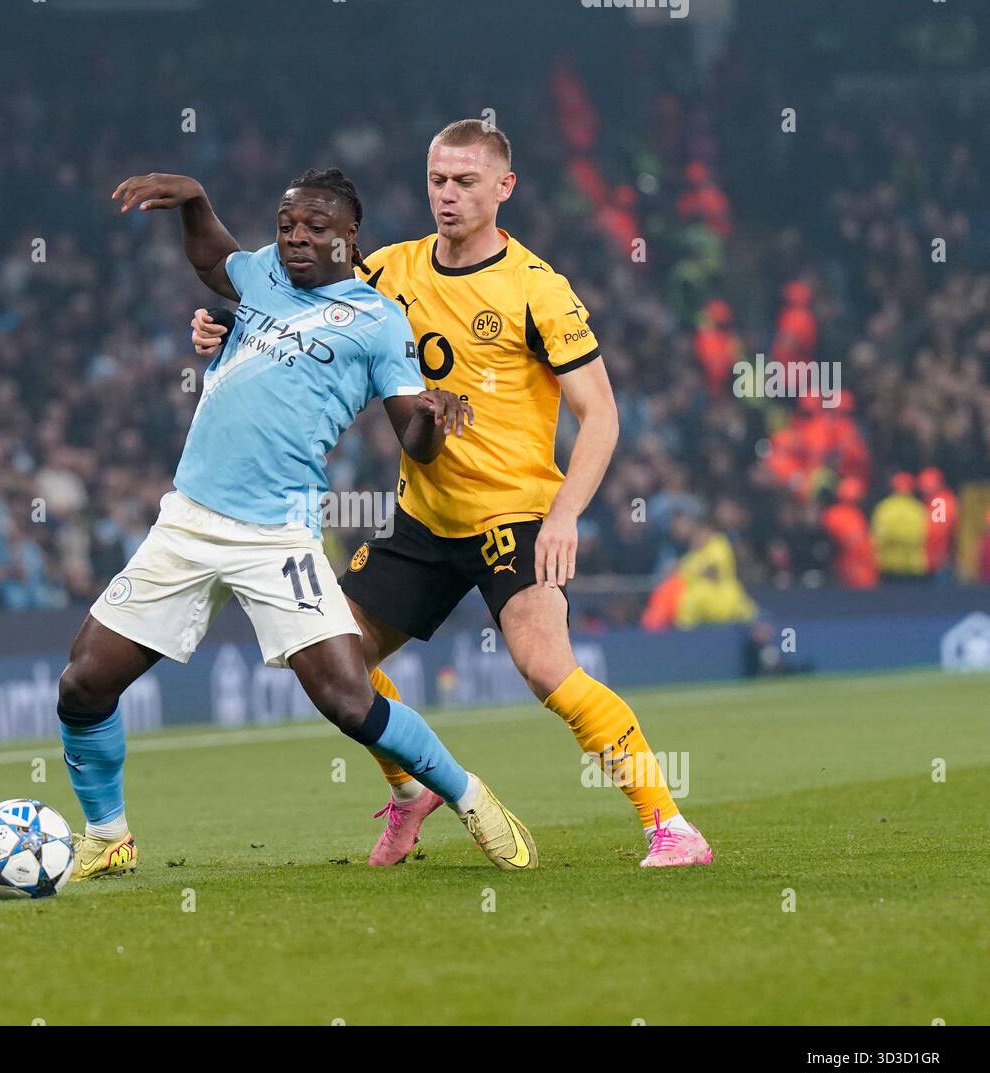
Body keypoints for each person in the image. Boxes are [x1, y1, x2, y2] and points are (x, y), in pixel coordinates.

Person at [193, 121, 712, 869]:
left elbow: (601, 415)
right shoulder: (392, 269)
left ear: (504, 188)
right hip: (424, 519)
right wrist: (226, 327)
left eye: (466, 182)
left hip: (512, 516)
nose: (448, 195)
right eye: (438, 180)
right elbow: (299, 317)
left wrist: (565, 515)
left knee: (545, 669)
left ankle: (669, 826)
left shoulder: (536, 288)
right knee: (331, 659)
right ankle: (412, 790)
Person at [57, 168, 537, 881]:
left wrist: (433, 423)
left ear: (350, 237)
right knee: (83, 686)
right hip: (187, 520)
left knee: (347, 698)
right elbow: (208, 256)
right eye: (287, 228)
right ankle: (110, 836)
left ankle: (467, 795)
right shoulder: (261, 278)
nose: (297, 240)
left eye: (315, 228)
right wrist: (195, 198)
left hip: (276, 534)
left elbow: (413, 438)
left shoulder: (378, 321)